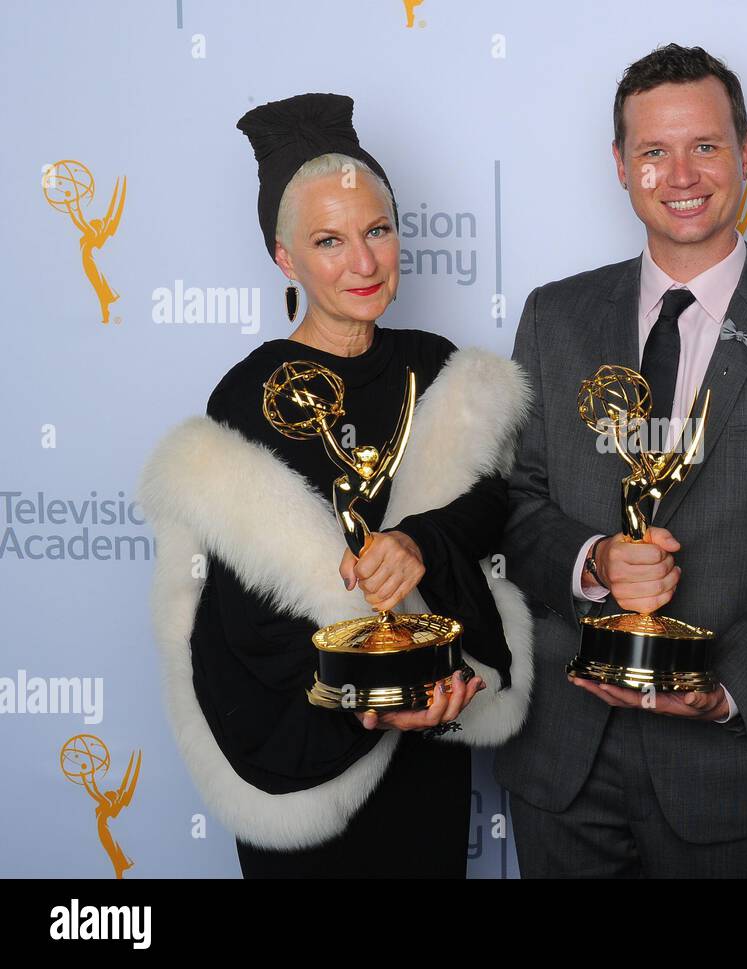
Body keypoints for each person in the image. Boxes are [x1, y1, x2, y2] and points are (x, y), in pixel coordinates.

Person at [493, 45, 747, 877]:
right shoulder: (553, 318)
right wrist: (592, 561)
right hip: (562, 765)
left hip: (733, 774)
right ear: (620, 165)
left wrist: (726, 686)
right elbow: (514, 506)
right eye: (653, 151)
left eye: (705, 146)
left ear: (746, 152)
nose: (681, 173)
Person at [138, 93, 533, 878]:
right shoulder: (246, 395)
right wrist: (364, 694)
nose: (363, 262)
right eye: (329, 240)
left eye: (377, 231)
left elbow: (496, 508)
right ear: (286, 259)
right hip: (309, 745)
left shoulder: (441, 367)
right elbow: (239, 611)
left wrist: (421, 545)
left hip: (429, 741)